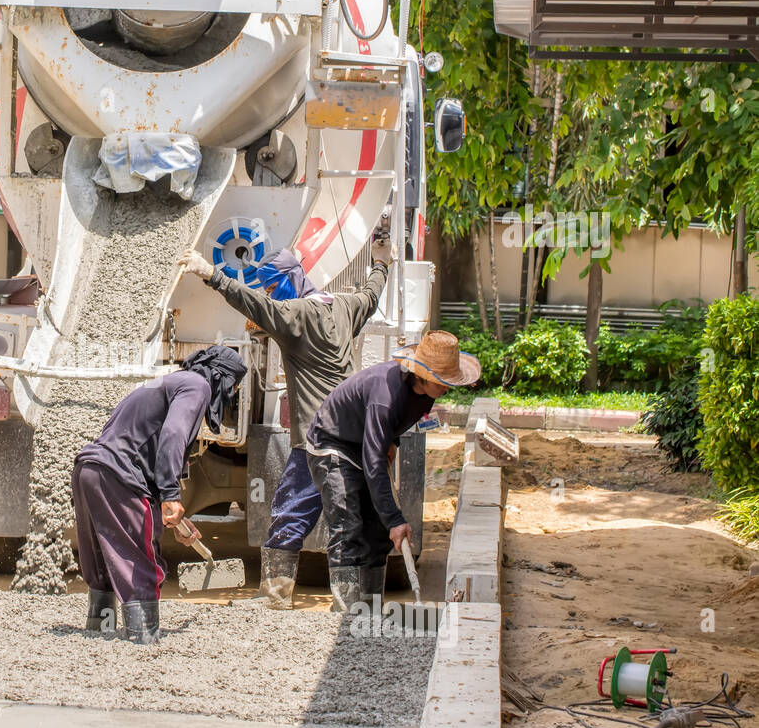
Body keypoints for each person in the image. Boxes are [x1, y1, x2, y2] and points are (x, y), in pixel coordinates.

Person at [178, 237, 393, 608]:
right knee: (359, 513)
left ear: (293, 276)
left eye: (274, 285)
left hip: (319, 435)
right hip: (357, 434)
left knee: (292, 508)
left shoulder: (293, 315)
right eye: (270, 289)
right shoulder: (344, 306)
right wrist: (381, 264)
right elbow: (371, 295)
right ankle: (363, 604)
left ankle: (276, 594)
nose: (272, 294)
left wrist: (210, 273)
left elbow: (252, 302)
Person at [72, 346, 248, 644]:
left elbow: (141, 442)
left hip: (89, 470)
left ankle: (99, 633)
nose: (229, 395)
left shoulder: (166, 382)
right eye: (232, 388)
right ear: (221, 377)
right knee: (140, 559)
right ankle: (143, 639)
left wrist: (176, 518)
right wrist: (169, 496)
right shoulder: (198, 386)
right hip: (118, 476)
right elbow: (172, 435)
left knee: (102, 561)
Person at [305, 330, 481, 610]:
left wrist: (393, 441)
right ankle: (345, 611)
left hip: (366, 442)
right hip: (333, 445)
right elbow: (373, 461)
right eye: (442, 381)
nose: (447, 387)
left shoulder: (426, 394)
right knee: (348, 526)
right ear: (422, 376)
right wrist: (397, 520)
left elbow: (391, 430)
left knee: (376, 531)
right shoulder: (385, 395)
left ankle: (370, 607)